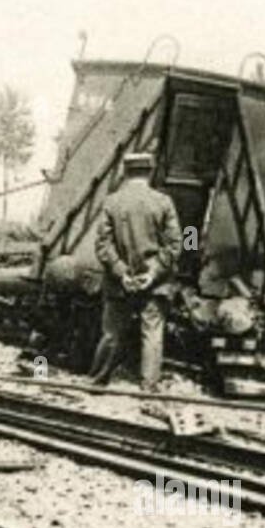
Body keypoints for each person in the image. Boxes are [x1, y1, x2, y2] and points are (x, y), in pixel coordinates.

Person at [91, 152, 182, 391]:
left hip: (118, 282)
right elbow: (175, 245)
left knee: (111, 334)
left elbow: (102, 245)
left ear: (125, 172)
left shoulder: (112, 202)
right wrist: (152, 273)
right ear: (150, 172)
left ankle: (97, 381)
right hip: (156, 283)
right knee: (152, 334)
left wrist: (122, 273)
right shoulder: (163, 202)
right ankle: (149, 387)